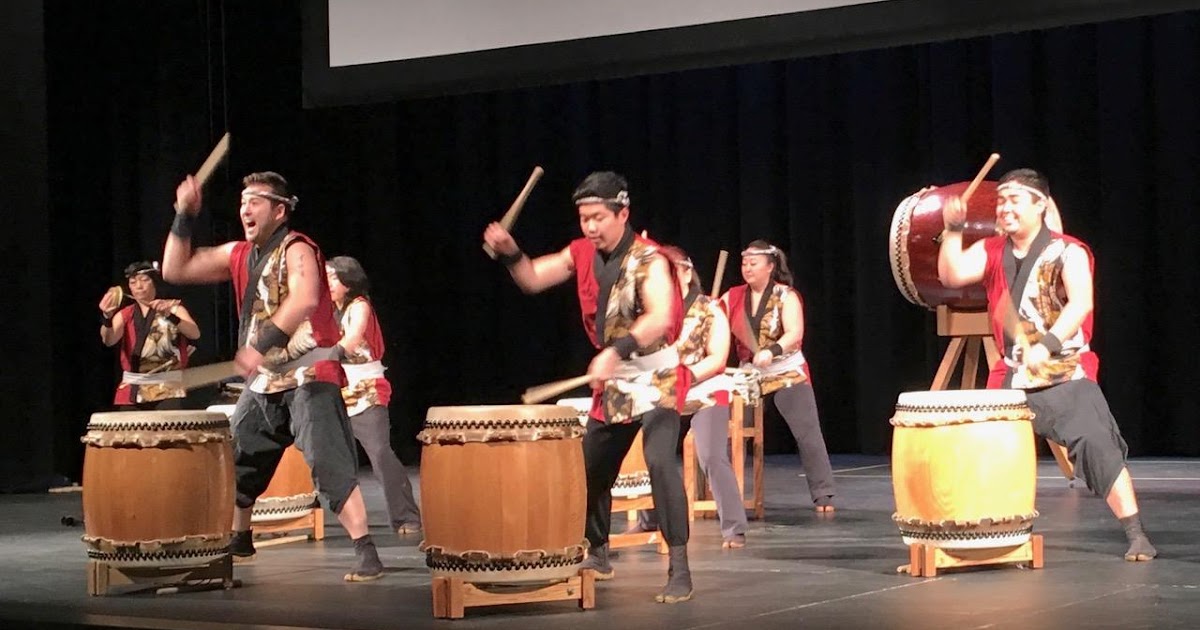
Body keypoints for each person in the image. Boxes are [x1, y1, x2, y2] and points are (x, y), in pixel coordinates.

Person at [482, 171, 693, 604]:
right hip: (615, 380)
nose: (591, 227)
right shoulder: (579, 252)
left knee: (659, 462)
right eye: (584, 218)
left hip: (658, 377)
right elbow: (532, 278)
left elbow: (659, 317)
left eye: (599, 217)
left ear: (623, 213)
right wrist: (511, 252)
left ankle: (680, 567)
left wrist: (616, 350)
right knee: (589, 470)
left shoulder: (651, 259)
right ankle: (597, 551)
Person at [161, 170, 384, 581]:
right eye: (242, 202)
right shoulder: (239, 254)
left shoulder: (298, 248)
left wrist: (258, 345)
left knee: (328, 462)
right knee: (240, 456)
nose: (245, 209)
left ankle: (365, 550)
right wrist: (183, 215)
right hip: (265, 380)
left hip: (309, 374)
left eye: (255, 202)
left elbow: (305, 298)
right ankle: (240, 539)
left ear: (279, 210)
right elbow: (176, 269)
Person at [937, 167, 1155, 561]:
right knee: (983, 446)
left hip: (1065, 370)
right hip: (1011, 373)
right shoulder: (991, 250)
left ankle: (1136, 533)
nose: (1005, 208)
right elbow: (951, 275)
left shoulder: (1068, 251)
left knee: (1096, 443)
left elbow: (1081, 303)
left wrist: (1048, 344)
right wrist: (953, 230)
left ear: (1040, 205)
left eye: (1014, 200)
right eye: (1001, 201)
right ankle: (991, 532)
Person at [625, 245, 749, 549]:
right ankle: (650, 518)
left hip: (706, 387)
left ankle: (734, 527)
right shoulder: (653, 314)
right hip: (665, 389)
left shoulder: (710, 308)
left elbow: (717, 358)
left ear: (686, 272)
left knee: (711, 454)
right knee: (651, 453)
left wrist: (686, 376)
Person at [720, 240, 836, 512]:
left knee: (807, 432)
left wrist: (772, 351)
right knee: (731, 432)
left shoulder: (786, 296)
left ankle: (823, 494)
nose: (747, 268)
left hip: (785, 371)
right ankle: (723, 493)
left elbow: (795, 333)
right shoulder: (733, 296)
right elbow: (714, 318)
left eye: (754, 263)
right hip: (751, 374)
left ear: (770, 266)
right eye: (744, 263)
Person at [326, 256, 422, 536]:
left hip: (366, 390)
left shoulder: (359, 306)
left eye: (332, 277)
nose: (327, 282)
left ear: (348, 282)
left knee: (380, 453)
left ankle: (406, 516)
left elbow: (352, 339)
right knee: (320, 453)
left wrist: (322, 355)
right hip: (335, 389)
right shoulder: (328, 310)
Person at [99, 261, 201, 409]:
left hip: (168, 387)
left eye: (144, 280)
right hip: (134, 386)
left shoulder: (173, 308)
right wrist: (107, 317)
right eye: (133, 282)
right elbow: (109, 340)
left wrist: (170, 315)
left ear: (154, 282)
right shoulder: (126, 314)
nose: (139, 286)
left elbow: (194, 333)